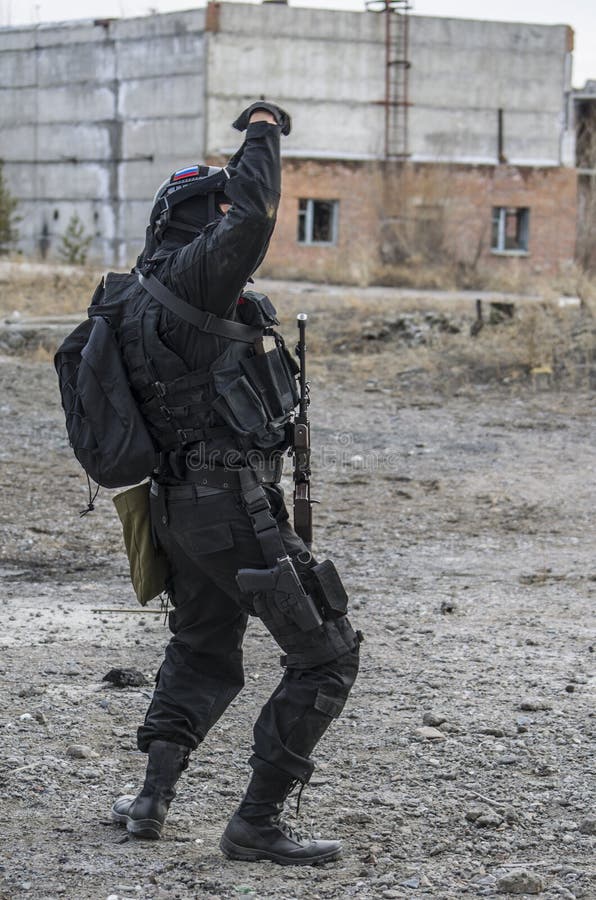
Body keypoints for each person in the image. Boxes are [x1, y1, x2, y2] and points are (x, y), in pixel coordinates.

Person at [110, 101, 361, 866]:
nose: (228, 223)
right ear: (197, 218)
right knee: (328, 654)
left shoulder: (132, 298)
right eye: (215, 209)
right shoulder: (195, 276)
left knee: (203, 649)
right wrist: (262, 129)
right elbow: (251, 218)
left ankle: (149, 799)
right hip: (229, 505)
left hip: (179, 508)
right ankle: (256, 822)